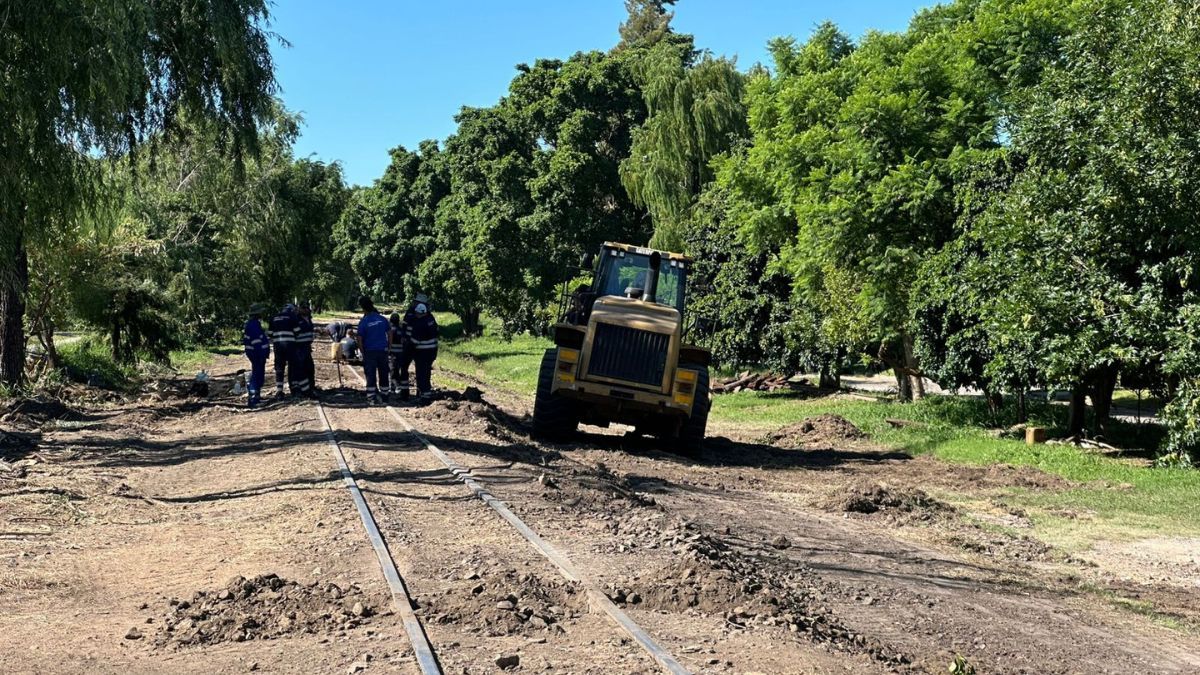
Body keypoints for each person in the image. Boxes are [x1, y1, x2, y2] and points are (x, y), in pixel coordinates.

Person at [356, 296, 391, 404]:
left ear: (363, 308)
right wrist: (389, 347)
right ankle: (385, 395)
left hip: (370, 352)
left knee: (370, 374)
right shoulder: (383, 319)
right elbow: (390, 333)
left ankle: (371, 397)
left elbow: (359, 338)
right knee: (384, 373)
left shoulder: (364, 321)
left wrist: (362, 351)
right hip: (382, 351)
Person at [407, 300, 439, 403]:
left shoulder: (420, 323)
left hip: (422, 353)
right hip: (432, 352)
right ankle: (425, 394)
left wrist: (408, 343)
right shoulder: (431, 319)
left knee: (422, 374)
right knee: (426, 373)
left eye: (417, 313)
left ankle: (424, 397)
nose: (416, 315)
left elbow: (415, 340)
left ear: (420, 313)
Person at [241, 304, 270, 407]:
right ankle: (253, 400)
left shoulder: (254, 324)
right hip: (257, 354)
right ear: (257, 313)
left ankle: (256, 397)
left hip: (257, 353)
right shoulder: (253, 325)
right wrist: (261, 354)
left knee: (258, 374)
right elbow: (256, 342)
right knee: (256, 375)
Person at [268, 303, 299, 399]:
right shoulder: (292, 317)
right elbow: (297, 331)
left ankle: (279, 391)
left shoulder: (274, 317)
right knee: (292, 366)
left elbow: (270, 333)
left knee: (279, 368)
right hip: (290, 346)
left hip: (278, 346)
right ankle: (293, 389)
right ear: (291, 310)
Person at [294, 303, 316, 397]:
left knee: (310, 368)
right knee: (302, 368)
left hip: (307, 347)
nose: (306, 310)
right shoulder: (297, 319)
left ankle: (311, 387)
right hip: (299, 347)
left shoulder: (309, 319)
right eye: (304, 308)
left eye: (307, 308)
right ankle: (303, 389)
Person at [388, 312, 408, 398]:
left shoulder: (391, 330)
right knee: (396, 370)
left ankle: (396, 386)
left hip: (392, 353)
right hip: (401, 353)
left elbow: (389, 341)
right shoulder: (401, 329)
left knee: (393, 371)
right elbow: (404, 341)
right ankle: (392, 387)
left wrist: (388, 351)